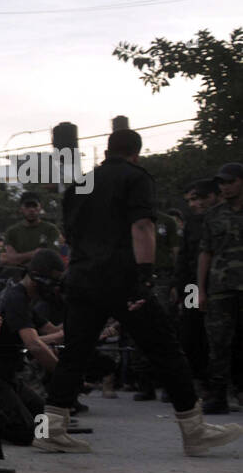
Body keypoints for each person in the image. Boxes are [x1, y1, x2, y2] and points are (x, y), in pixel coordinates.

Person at [34, 129, 240, 455]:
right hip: (121, 279)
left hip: (83, 278)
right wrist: (145, 275)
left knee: (73, 354)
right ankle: (194, 429)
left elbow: (70, 236)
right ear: (136, 153)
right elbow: (142, 226)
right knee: (166, 350)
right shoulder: (136, 177)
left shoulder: (80, 184)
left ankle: (48, 429)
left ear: (106, 151)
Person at [0, 249, 66, 446]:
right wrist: (64, 376)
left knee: (40, 414)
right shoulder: (15, 298)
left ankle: (43, 437)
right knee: (26, 433)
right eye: (53, 281)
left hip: (9, 378)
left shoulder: (24, 299)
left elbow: (52, 331)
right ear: (38, 278)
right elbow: (33, 344)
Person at [198, 163, 243, 414]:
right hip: (221, 287)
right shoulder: (214, 215)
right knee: (218, 343)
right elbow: (205, 253)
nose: (225, 187)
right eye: (222, 183)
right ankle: (218, 395)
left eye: (230, 182)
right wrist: (199, 291)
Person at [174, 179, 220, 384]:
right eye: (191, 200)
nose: (194, 204)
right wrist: (178, 286)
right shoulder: (192, 224)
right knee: (192, 329)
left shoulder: (224, 218)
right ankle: (197, 379)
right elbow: (184, 257)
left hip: (222, 284)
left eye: (198, 198)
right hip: (193, 285)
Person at [0, 192, 62, 283]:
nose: (31, 209)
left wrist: (18, 259)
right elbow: (4, 259)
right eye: (27, 206)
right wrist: (36, 253)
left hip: (45, 281)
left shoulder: (51, 229)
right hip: (19, 282)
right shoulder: (12, 232)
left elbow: (51, 258)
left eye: (34, 206)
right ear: (21, 209)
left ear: (40, 208)